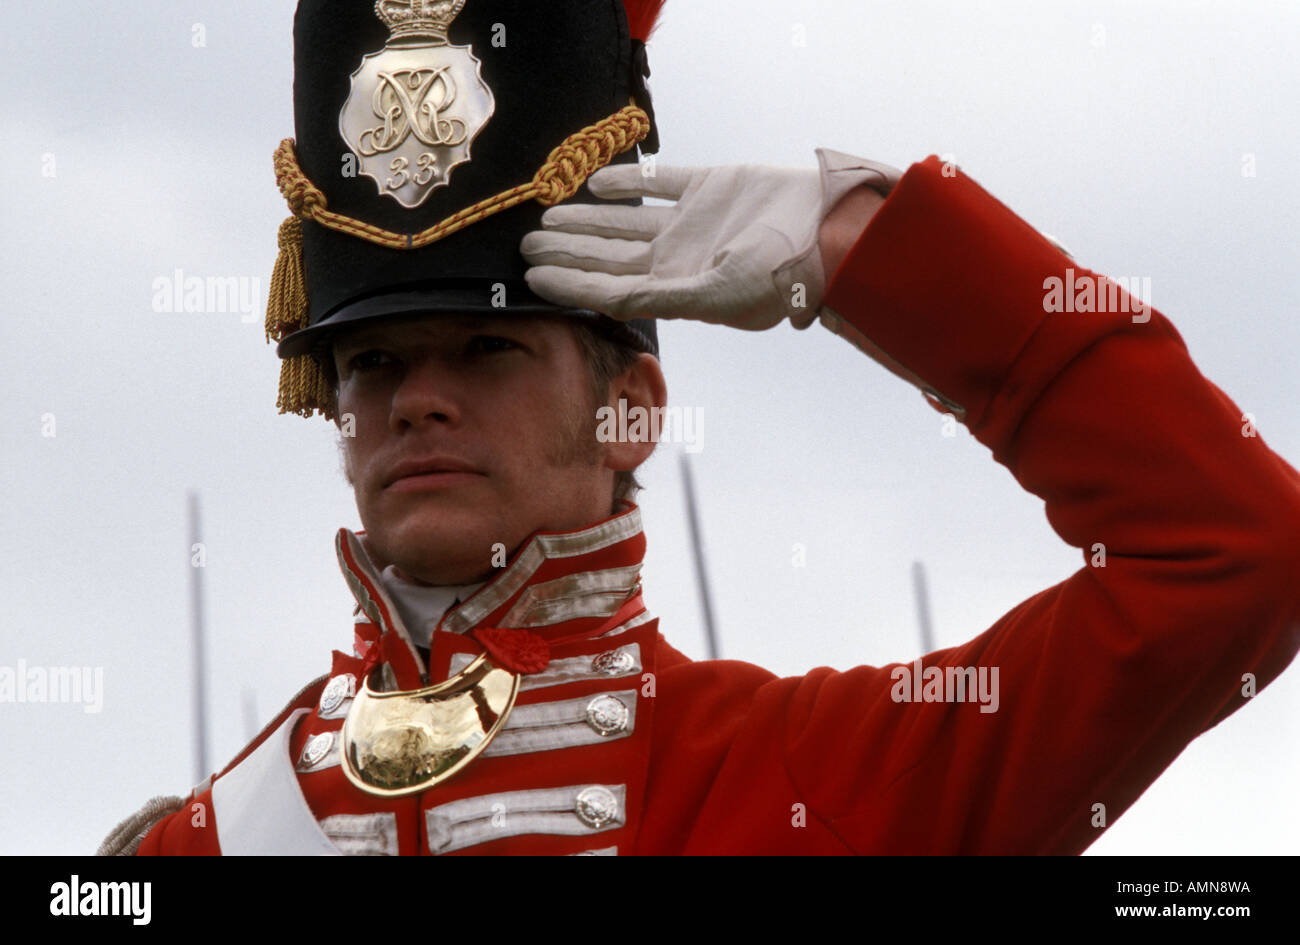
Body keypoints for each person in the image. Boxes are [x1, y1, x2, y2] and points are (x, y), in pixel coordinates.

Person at [99, 0, 1300, 856]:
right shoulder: (215, 840)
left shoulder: (804, 780)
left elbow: (1236, 552)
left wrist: (858, 249)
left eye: (489, 349)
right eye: (371, 363)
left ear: (631, 409)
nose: (417, 397)